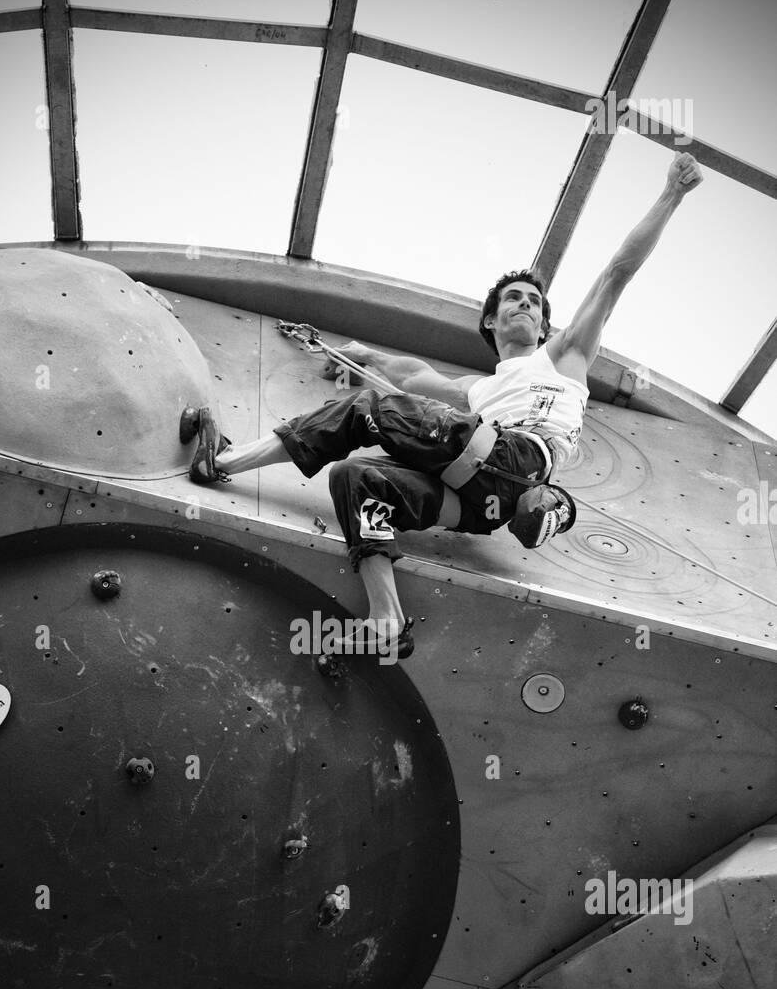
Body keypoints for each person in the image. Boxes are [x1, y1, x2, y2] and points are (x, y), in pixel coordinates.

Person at [181, 152, 703, 658]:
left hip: (520, 463)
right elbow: (410, 374)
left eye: (534, 302)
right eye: (513, 300)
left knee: (374, 408)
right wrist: (362, 352)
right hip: (477, 505)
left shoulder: (564, 355)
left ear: (545, 326)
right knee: (357, 479)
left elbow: (617, 273)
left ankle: (223, 462)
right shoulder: (476, 391)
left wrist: (671, 195)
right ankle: (387, 621)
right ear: (492, 323)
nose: (525, 304)